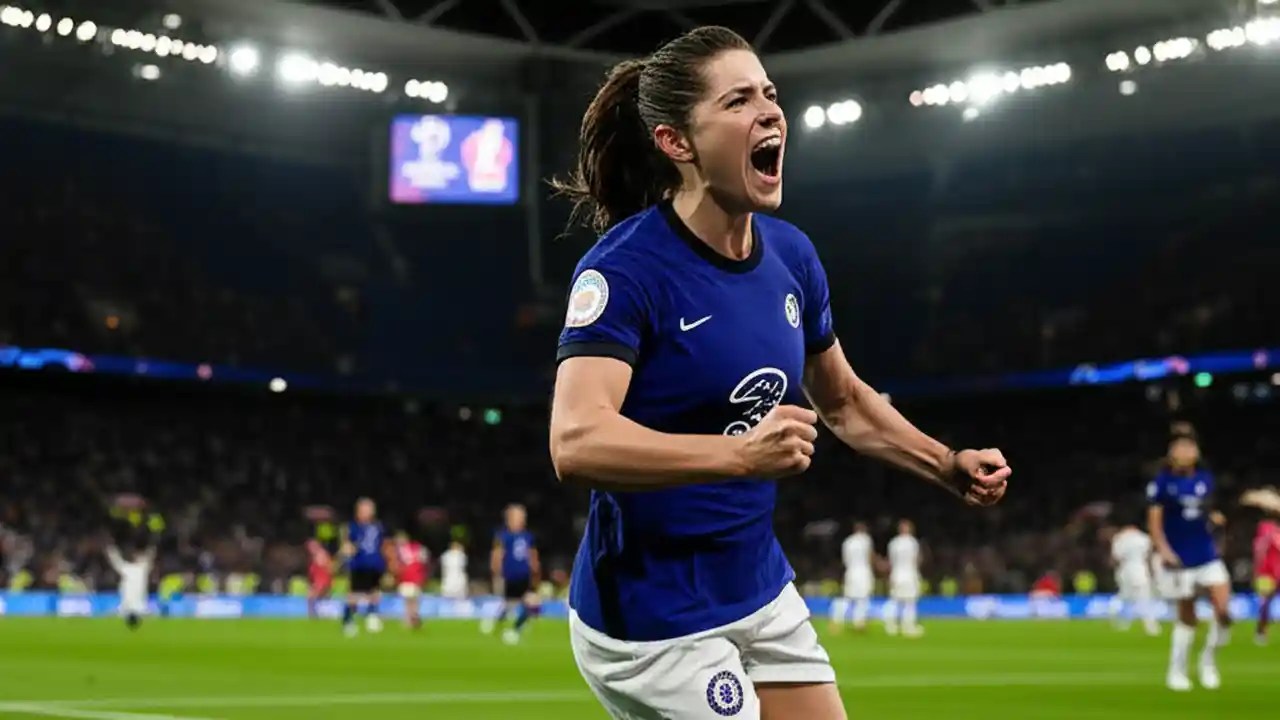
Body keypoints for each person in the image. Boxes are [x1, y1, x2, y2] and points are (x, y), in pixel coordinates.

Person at [547, 25, 1011, 720]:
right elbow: (576, 444)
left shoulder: (791, 257)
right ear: (677, 143)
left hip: (757, 586)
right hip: (652, 612)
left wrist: (946, 463)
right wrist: (737, 455)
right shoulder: (625, 272)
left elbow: (846, 403)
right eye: (738, 101)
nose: (769, 111)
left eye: (770, 93)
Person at [1147, 433, 1231, 691]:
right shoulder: (1162, 483)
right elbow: (1155, 521)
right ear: (1172, 454)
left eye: (1189, 447)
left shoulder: (1205, 480)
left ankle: (1208, 662)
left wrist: (1215, 519)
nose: (1185, 451)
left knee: (1223, 611)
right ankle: (1177, 670)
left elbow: (1206, 510)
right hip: (1180, 559)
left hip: (1207, 555)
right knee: (1187, 616)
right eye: (1180, 447)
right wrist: (1163, 550)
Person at [480, 504, 541, 645]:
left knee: (531, 604)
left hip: (524, 575)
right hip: (509, 575)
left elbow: (533, 556)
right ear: (509, 519)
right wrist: (496, 570)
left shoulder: (528, 536)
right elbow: (497, 554)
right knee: (508, 604)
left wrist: (535, 570)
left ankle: (514, 630)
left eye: (523, 517)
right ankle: (499, 623)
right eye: (518, 517)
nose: (521, 520)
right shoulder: (503, 536)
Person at [339, 498, 390, 637]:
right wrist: (347, 552)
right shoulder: (353, 527)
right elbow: (347, 544)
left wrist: (387, 564)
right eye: (365, 509)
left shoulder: (378, 527)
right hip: (359, 563)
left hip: (375, 563)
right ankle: (348, 619)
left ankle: (372, 615)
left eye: (370, 509)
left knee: (374, 591)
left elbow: (383, 545)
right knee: (354, 593)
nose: (367, 512)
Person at [1109, 522, 1160, 635]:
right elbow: (1149, 556)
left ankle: (1120, 621)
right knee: (1145, 599)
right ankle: (1151, 627)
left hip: (1124, 571)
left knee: (1124, 597)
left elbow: (1116, 557)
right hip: (1140, 570)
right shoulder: (1144, 538)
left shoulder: (1119, 538)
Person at [831, 521, 874, 633]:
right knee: (862, 598)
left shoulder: (847, 542)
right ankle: (859, 623)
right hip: (863, 571)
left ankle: (836, 620)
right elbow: (870, 557)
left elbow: (844, 560)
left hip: (850, 571)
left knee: (848, 597)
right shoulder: (866, 540)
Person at [884, 520, 923, 638]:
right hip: (910, 574)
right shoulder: (913, 542)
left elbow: (890, 561)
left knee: (895, 601)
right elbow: (916, 560)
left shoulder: (893, 543)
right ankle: (909, 627)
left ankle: (891, 626)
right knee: (910, 602)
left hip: (896, 574)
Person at [105, 543, 155, 630]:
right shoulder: (130, 568)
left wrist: (111, 550)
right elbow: (116, 561)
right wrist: (111, 550)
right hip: (132, 608)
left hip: (134, 608)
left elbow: (116, 561)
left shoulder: (141, 568)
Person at [394, 530, 429, 630]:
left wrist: (422, 575)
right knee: (407, 600)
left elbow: (424, 560)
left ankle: (413, 619)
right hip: (405, 579)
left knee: (413, 600)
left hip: (415, 578)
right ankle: (409, 620)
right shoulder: (399, 550)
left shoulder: (415, 548)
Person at [1253, 518, 1280, 644]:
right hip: (1265, 574)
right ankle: (1261, 631)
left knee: (1266, 602)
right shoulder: (1262, 540)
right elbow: (1258, 555)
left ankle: (1262, 630)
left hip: (1274, 573)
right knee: (1264, 602)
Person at [305, 539, 334, 620]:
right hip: (318, 582)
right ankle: (314, 616)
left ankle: (314, 616)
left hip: (323, 582)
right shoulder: (312, 557)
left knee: (313, 596)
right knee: (311, 597)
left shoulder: (321, 554)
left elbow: (329, 569)